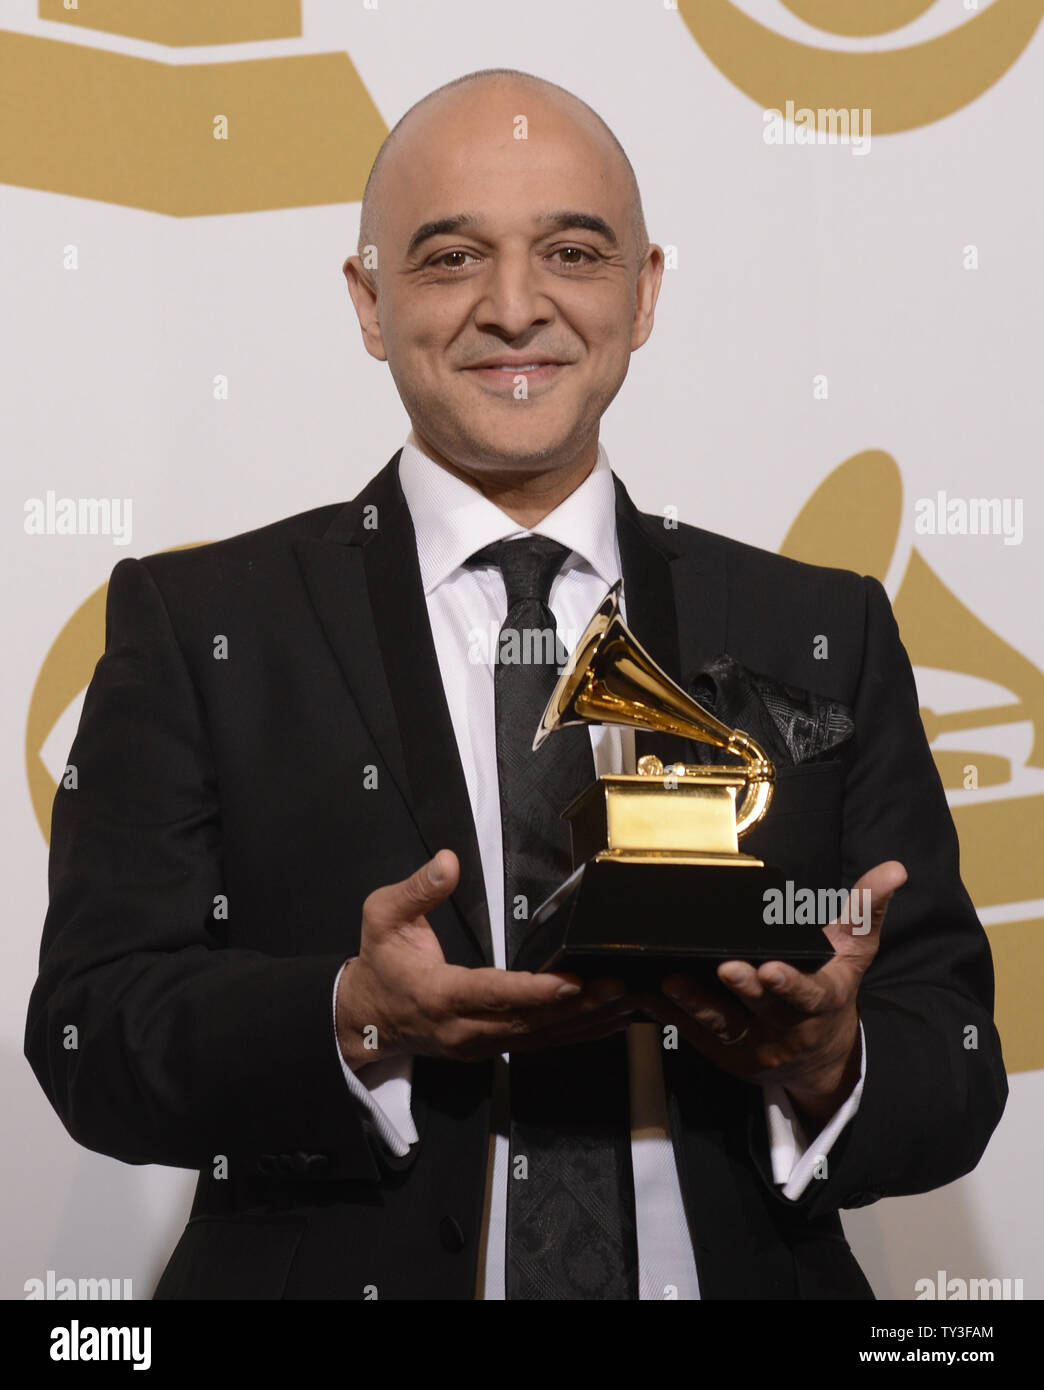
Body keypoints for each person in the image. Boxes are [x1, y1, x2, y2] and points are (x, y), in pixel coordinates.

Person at [25, 68, 1007, 1300]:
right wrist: (351, 1015)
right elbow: (90, 1033)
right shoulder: (200, 623)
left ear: (643, 293)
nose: (514, 306)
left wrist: (826, 1057)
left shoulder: (824, 626)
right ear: (369, 300)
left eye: (574, 252)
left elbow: (956, 1064)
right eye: (448, 257)